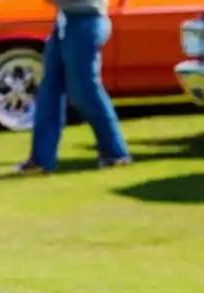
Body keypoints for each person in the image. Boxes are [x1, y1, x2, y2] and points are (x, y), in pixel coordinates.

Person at [15, 0, 131, 173]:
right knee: (49, 90)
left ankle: (115, 153)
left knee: (85, 91)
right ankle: (41, 160)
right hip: (66, 21)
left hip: (86, 20)